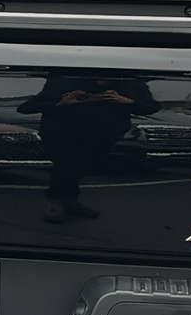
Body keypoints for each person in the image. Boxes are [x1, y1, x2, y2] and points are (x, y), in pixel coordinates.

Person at [18, 75, 159, 223]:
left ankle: (69, 201)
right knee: (68, 165)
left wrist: (129, 102)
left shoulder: (133, 85)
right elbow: (25, 108)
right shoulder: (64, 81)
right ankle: (55, 201)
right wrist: (60, 104)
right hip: (63, 134)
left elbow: (152, 107)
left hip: (104, 136)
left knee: (80, 168)